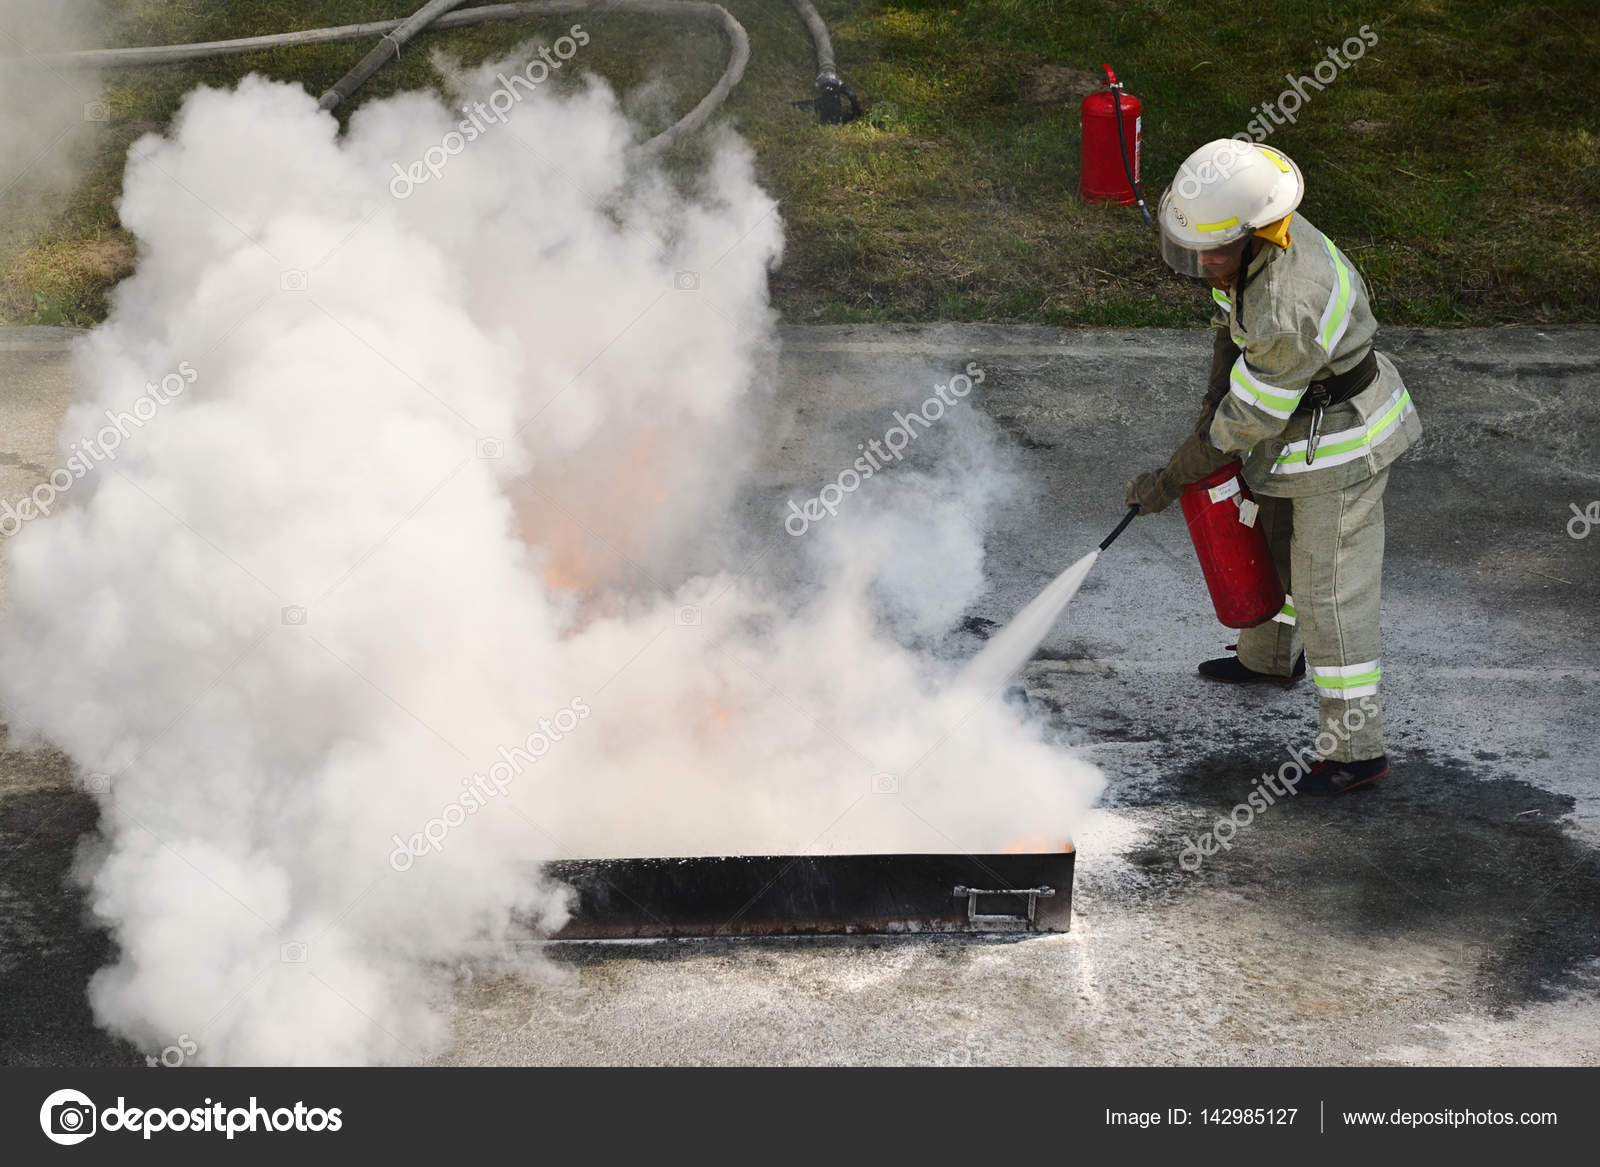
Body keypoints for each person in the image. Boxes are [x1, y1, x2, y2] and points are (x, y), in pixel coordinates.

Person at [1125, 139, 1421, 795]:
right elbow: (1230, 339)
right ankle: (1268, 660)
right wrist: (1206, 408)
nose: (1205, 263)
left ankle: (1355, 750)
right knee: (1270, 537)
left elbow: (1241, 425)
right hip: (1299, 424)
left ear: (1256, 235)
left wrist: (1173, 477)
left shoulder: (1286, 302)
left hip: (1343, 441)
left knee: (1329, 594)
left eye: (1215, 252)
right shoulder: (1251, 250)